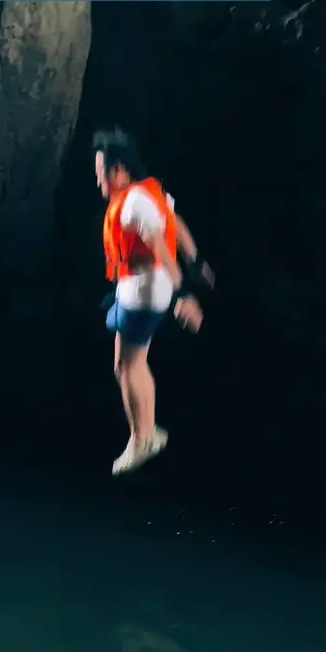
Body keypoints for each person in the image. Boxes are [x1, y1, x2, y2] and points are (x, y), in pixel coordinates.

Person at [94, 127, 215, 475]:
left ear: (119, 170)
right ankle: (148, 432)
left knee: (127, 366)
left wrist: (182, 295)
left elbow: (160, 246)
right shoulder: (149, 192)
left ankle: (142, 438)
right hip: (142, 289)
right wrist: (196, 262)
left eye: (101, 173)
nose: (98, 180)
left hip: (146, 293)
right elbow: (176, 223)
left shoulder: (132, 204)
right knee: (131, 362)